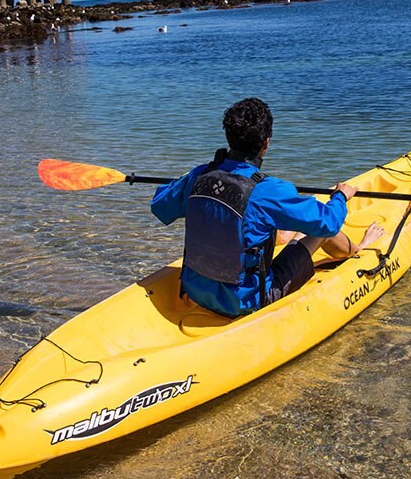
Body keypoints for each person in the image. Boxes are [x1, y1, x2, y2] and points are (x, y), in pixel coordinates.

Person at [151, 97, 384, 318]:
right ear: (266, 143)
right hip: (245, 303)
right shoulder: (269, 190)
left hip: (195, 290)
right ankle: (359, 250)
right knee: (318, 229)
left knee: (269, 227)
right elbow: (329, 223)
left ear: (228, 137)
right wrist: (341, 197)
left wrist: (188, 178)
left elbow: (159, 205)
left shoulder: (199, 175)